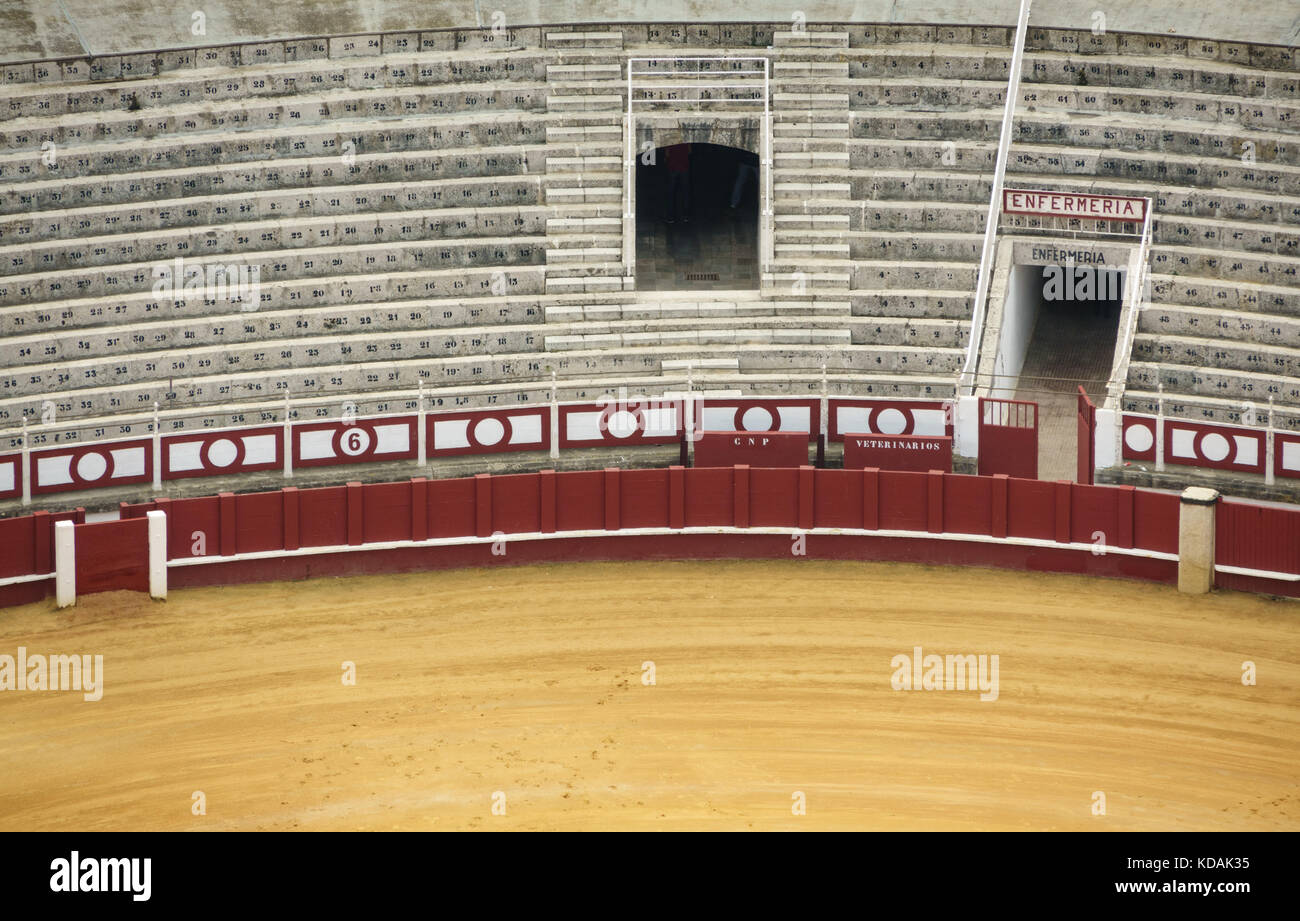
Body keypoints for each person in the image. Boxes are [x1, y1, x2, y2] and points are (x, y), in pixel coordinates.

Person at [665, 143, 692, 223]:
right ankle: (685, 216)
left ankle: (670, 217)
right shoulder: (686, 138)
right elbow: (690, 151)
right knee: (685, 192)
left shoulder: (670, 138)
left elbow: (667, 154)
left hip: (673, 167)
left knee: (671, 193)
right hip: (684, 167)